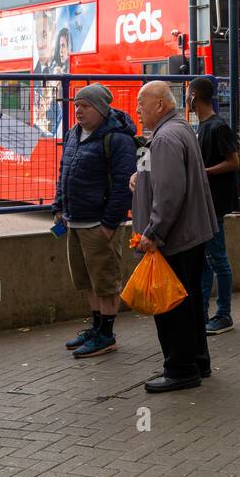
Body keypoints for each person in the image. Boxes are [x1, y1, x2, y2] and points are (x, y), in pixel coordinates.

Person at [131, 81, 219, 392]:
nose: (138, 109)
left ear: (159, 105)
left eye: (142, 103)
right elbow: (155, 174)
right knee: (190, 301)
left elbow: (169, 195)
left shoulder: (165, 137)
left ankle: (180, 369)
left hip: (173, 238)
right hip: (191, 235)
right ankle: (198, 361)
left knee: (171, 305)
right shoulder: (175, 130)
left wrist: (153, 233)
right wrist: (139, 178)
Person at [53, 83, 138, 359]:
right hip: (75, 221)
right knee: (87, 280)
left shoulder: (117, 138)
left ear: (101, 108)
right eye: (76, 105)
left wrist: (109, 224)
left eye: (85, 105)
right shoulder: (73, 134)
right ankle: (96, 326)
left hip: (98, 225)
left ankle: (107, 334)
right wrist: (59, 206)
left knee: (105, 281)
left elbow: (124, 185)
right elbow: (64, 171)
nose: (78, 110)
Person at [190, 77, 238, 335]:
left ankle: (224, 314)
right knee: (207, 259)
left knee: (217, 258)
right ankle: (203, 311)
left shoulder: (217, 126)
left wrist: (203, 171)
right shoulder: (201, 126)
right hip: (205, 203)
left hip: (215, 204)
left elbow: (234, 162)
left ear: (194, 96)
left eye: (188, 93)